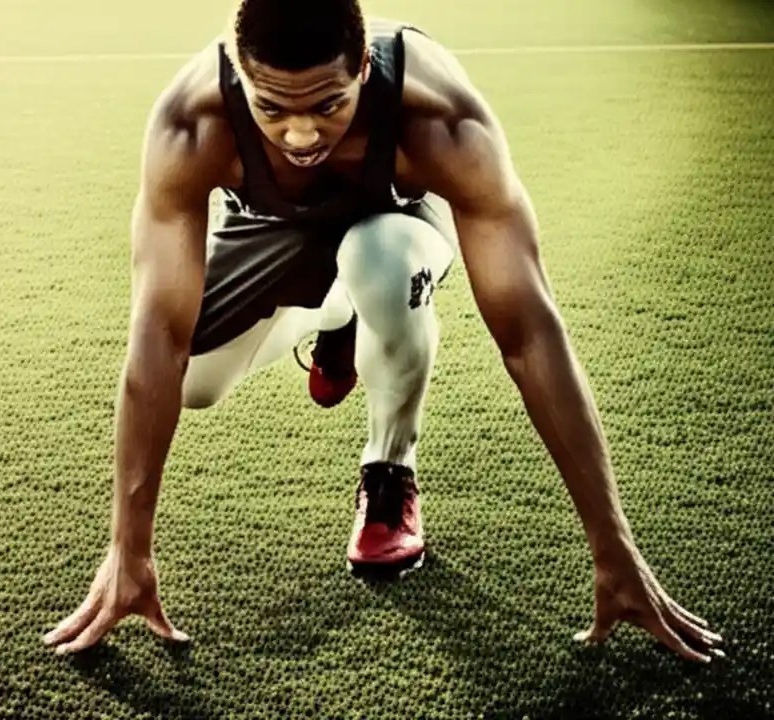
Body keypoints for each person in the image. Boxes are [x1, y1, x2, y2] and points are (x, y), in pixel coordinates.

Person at [42, 0, 724, 661]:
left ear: (363, 67)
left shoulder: (441, 122)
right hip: (277, 228)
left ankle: (389, 465)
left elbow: (529, 332)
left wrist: (614, 547)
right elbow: (157, 340)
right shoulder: (191, 124)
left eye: (327, 105)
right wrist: (127, 552)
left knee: (379, 261)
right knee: (189, 380)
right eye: (272, 108)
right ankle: (337, 314)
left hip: (398, 224)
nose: (302, 134)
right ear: (238, 72)